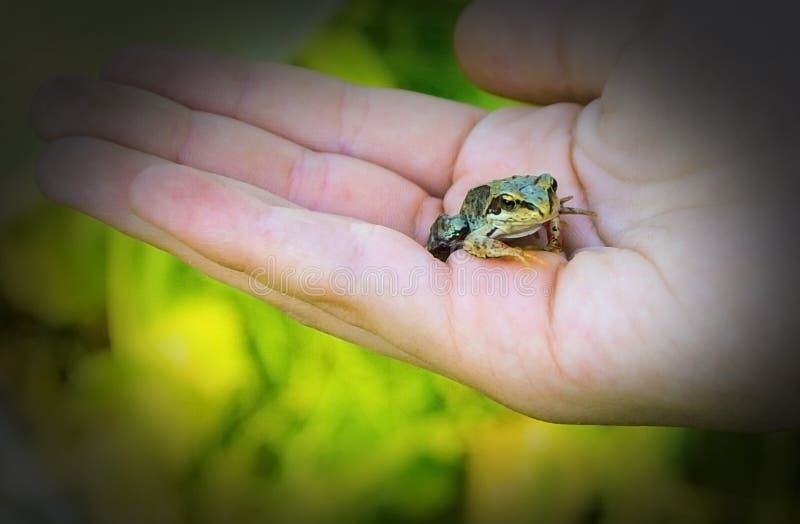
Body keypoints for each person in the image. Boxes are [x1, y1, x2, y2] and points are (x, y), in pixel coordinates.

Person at [31, 0, 798, 429]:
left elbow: (542, 214)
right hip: (473, 211)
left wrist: (547, 229)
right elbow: (486, 233)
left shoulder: (540, 207)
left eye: (544, 205)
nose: (544, 215)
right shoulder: (491, 215)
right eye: (536, 208)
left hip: (510, 192)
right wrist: (500, 249)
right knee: (452, 236)